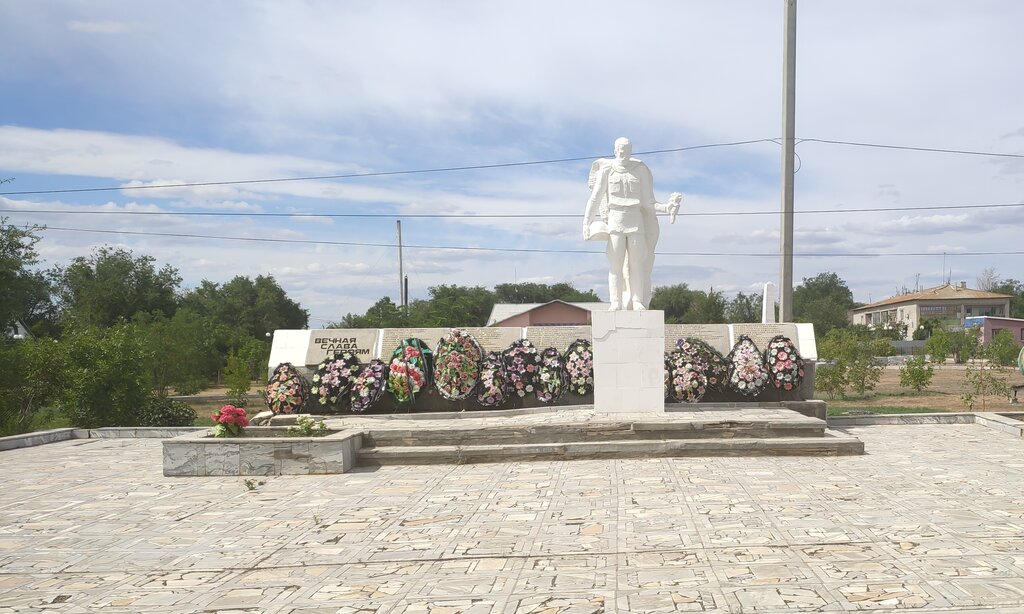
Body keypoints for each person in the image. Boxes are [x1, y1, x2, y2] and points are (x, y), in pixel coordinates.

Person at [583, 137, 681, 310]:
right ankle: (615, 302)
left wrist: (666, 208)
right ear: (614, 150)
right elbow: (595, 197)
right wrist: (586, 222)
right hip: (615, 221)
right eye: (620, 148)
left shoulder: (639, 170)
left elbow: (647, 201)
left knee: (637, 264)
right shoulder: (607, 171)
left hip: (636, 221)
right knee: (616, 265)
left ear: (631, 150)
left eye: (626, 148)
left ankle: (636, 301)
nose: (623, 151)